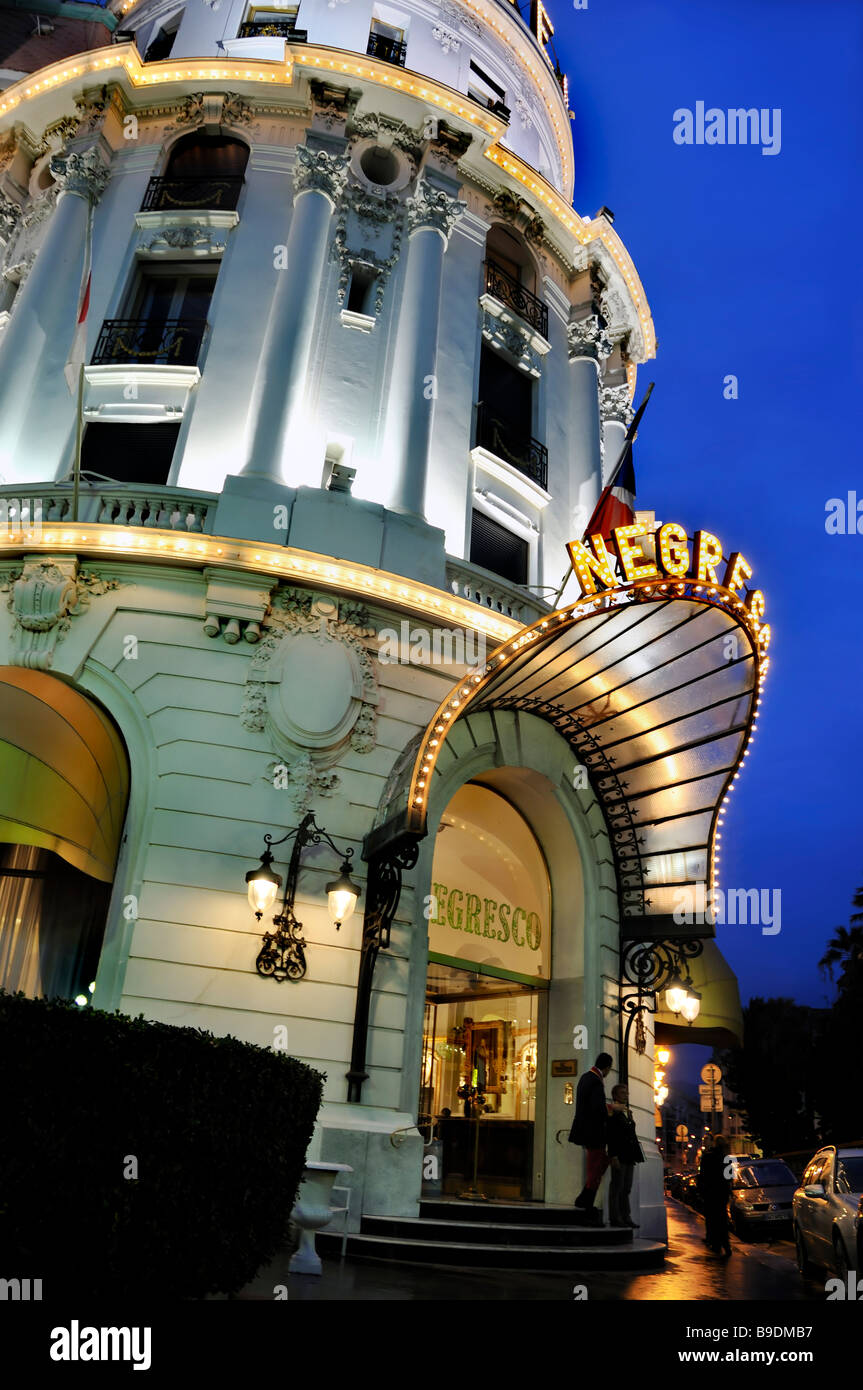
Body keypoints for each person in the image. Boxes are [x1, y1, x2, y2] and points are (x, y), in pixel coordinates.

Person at [569, 1051, 613, 1221]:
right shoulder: (595, 1081)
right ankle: (587, 1204)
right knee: (595, 1170)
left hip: (586, 1131)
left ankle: (583, 1199)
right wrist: (610, 1109)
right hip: (594, 1133)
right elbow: (597, 1108)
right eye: (610, 1068)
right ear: (607, 1067)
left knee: (595, 1168)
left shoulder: (585, 1077)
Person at [606, 1083, 644, 1228]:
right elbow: (610, 1135)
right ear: (615, 1095)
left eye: (627, 1093)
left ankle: (625, 1216)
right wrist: (613, 1155)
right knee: (617, 1186)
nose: (626, 1095)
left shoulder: (628, 1112)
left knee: (627, 1187)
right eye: (623, 1093)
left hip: (629, 1154)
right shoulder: (613, 1112)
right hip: (619, 1154)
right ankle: (615, 1218)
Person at [698, 1134, 732, 1256]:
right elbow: (730, 1177)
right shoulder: (727, 1157)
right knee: (722, 1218)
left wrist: (702, 1191)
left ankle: (715, 1243)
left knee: (712, 1218)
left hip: (710, 1192)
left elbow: (702, 1176)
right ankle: (726, 1245)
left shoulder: (707, 1157)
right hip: (722, 1193)